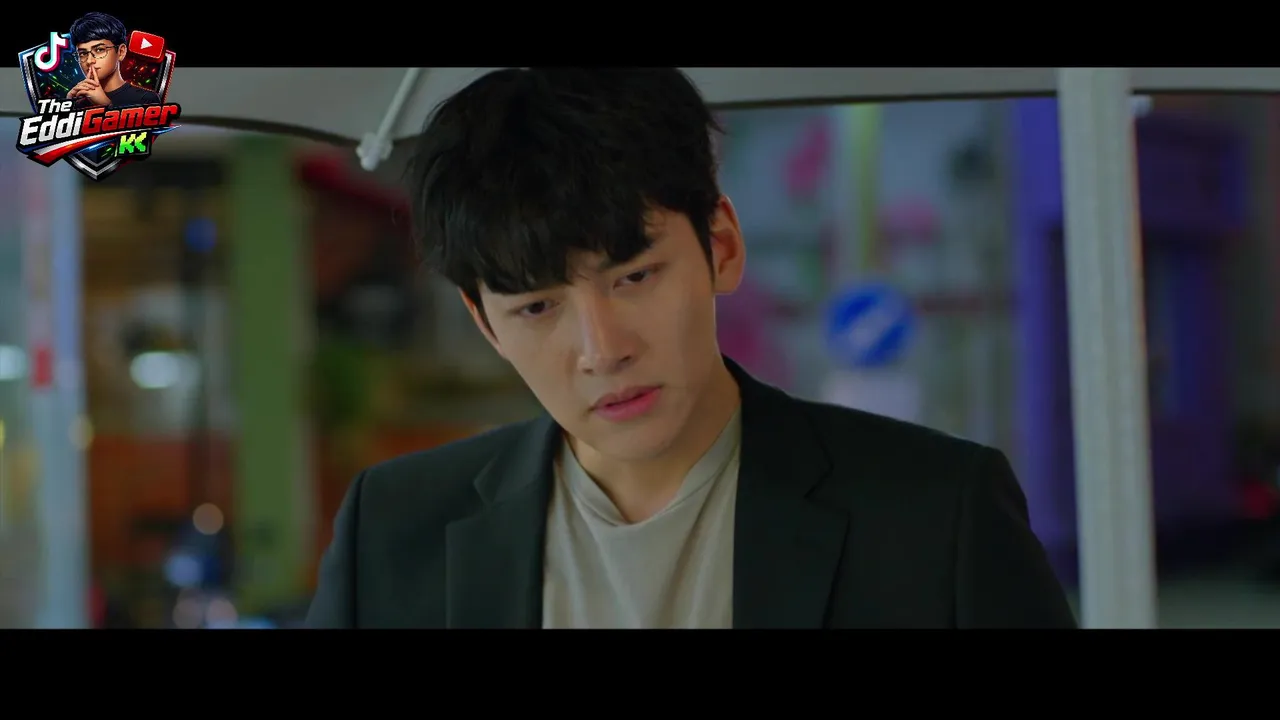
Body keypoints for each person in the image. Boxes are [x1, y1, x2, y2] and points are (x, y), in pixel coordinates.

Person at [305, 68, 1077, 629]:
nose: (602, 349)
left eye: (635, 276)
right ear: (484, 323)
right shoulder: (395, 530)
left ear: (723, 245)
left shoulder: (934, 515)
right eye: (537, 307)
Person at [65, 13, 161, 109]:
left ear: (121, 52)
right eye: (83, 53)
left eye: (99, 50)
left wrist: (106, 106)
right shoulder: (78, 102)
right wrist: (68, 107)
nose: (89, 61)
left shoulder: (145, 99)